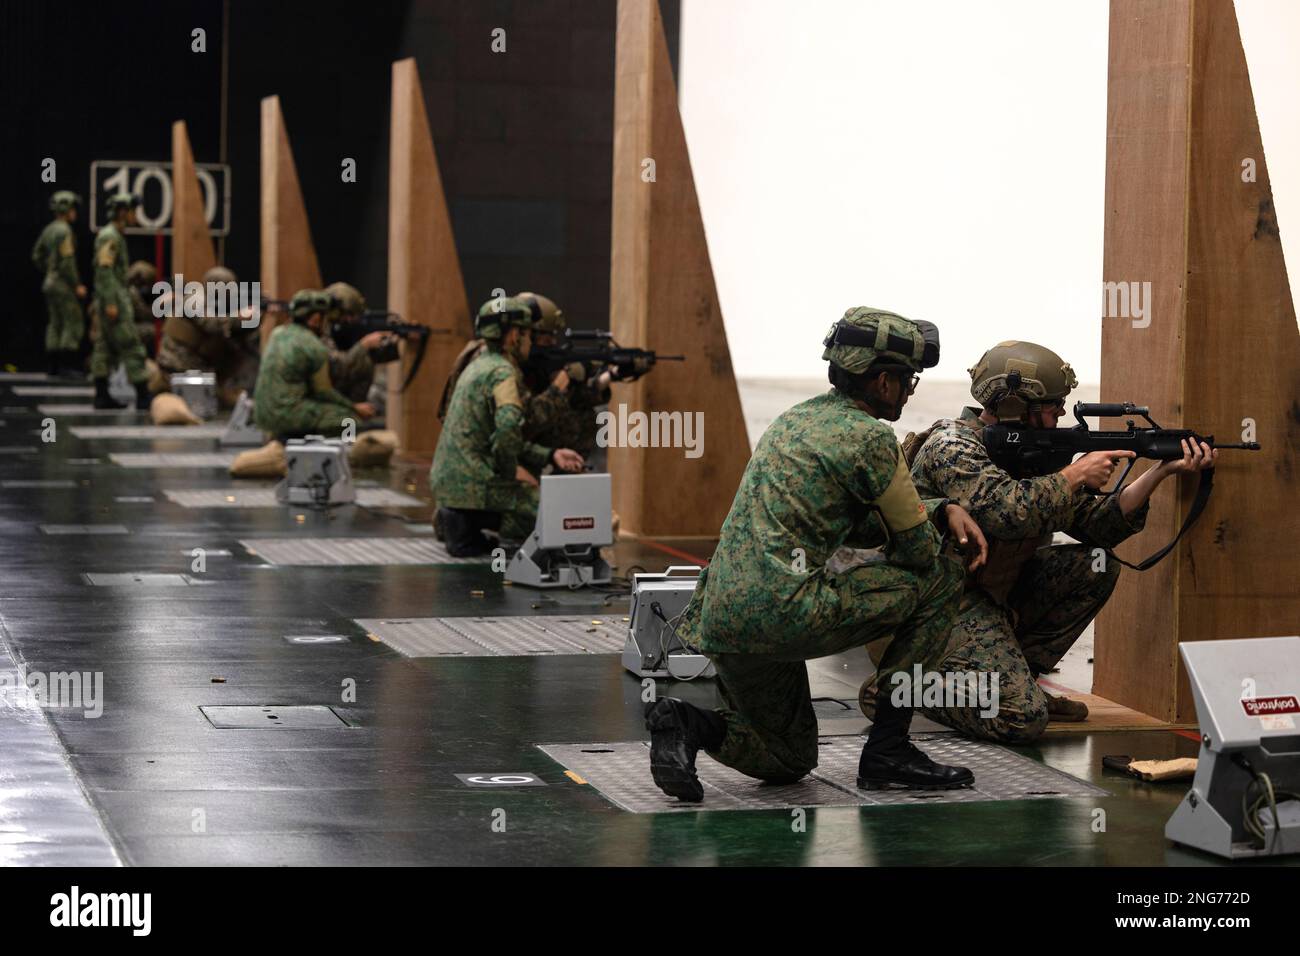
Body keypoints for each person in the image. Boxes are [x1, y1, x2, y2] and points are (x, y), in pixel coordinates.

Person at [644, 307, 989, 802]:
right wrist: (935, 522)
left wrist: (936, 509)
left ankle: (687, 723)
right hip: (786, 613)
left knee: (788, 759)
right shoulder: (871, 438)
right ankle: (889, 748)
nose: (910, 390)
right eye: (909, 380)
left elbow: (849, 521)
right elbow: (915, 554)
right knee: (940, 574)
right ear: (884, 382)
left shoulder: (796, 421)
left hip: (722, 617)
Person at [858, 340, 1216, 744]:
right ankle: (896, 689)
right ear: (1013, 405)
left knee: (1095, 565)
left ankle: (1016, 677)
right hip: (935, 610)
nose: (1061, 412)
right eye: (1052, 405)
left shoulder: (1031, 452)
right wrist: (1075, 475)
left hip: (988, 599)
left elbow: (1100, 527)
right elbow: (1007, 512)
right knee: (1020, 719)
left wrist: (1158, 472)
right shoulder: (953, 446)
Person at [429, 296, 585, 556]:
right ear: (514, 335)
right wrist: (512, 471)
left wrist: (549, 455)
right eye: (528, 335)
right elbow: (507, 427)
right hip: (476, 484)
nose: (531, 342)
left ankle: (461, 523)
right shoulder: (503, 374)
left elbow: (492, 434)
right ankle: (474, 528)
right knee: (555, 515)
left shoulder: (476, 366)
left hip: (448, 484)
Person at [252, 289, 374, 441]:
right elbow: (323, 391)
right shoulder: (314, 346)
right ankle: (340, 456)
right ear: (316, 319)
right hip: (285, 415)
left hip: (262, 414)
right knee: (349, 420)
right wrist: (354, 408)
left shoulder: (277, 333)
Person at [516, 291, 612, 463]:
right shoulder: (506, 369)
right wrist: (563, 380)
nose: (553, 343)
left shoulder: (526, 366)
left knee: (583, 416)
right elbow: (528, 422)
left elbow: (574, 400)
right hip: (501, 460)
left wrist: (609, 376)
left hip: (517, 448)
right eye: (547, 338)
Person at [90, 193, 150, 409]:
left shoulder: (113, 235)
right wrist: (111, 303)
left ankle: (101, 395)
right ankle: (143, 395)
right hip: (114, 298)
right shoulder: (110, 237)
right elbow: (105, 271)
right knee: (131, 344)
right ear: (123, 212)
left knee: (104, 348)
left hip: (110, 297)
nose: (136, 215)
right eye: (133, 211)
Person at [31, 190, 87, 377]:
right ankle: (66, 365)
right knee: (72, 322)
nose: (75, 213)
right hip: (62, 284)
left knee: (55, 323)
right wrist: (75, 284)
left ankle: (53, 366)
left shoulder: (49, 229)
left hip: (50, 283)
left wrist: (49, 271)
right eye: (72, 209)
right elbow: (67, 262)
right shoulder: (64, 231)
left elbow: (37, 255)